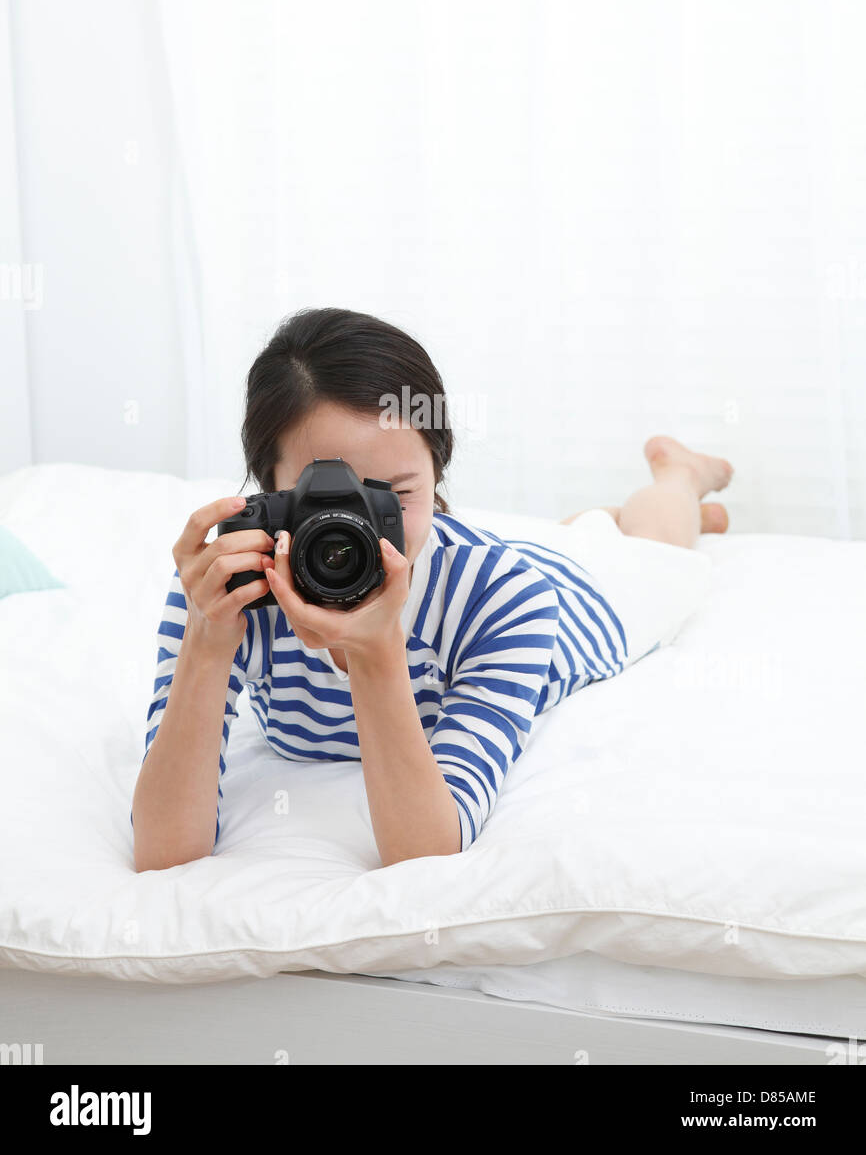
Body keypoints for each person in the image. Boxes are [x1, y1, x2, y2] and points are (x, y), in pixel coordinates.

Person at [131, 306, 733, 872]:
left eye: (393, 494)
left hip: (576, 600)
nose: (355, 529)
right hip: (467, 559)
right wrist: (207, 644)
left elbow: (425, 853)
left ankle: (680, 477)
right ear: (268, 494)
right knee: (580, 535)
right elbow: (164, 854)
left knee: (650, 549)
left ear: (438, 473)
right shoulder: (230, 592)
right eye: (325, 499)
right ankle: (593, 520)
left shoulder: (507, 598)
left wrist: (374, 650)